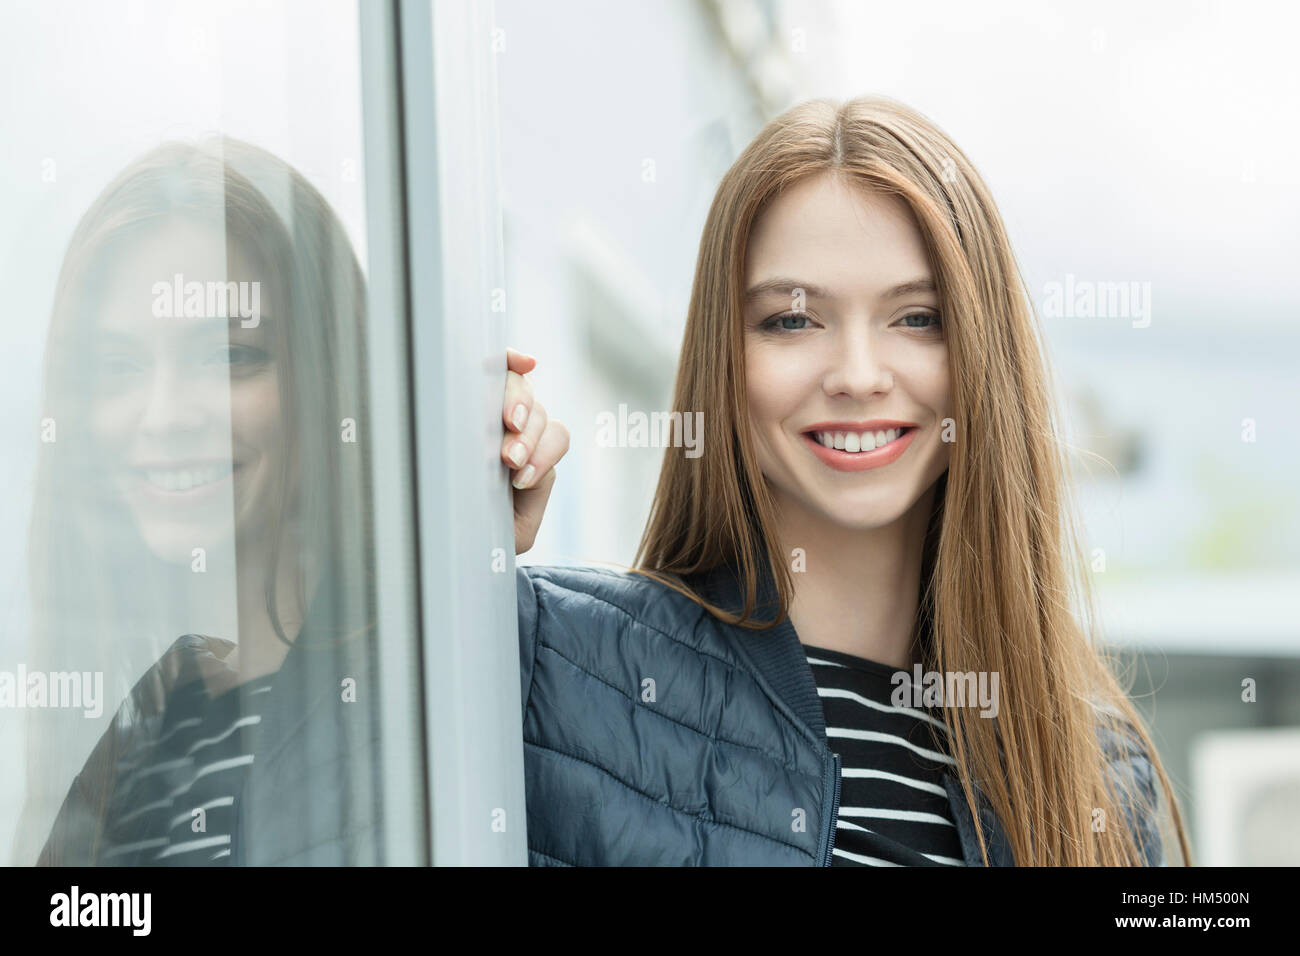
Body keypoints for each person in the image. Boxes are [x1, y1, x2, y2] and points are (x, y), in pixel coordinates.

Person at [500, 95, 1191, 866]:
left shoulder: (1098, 779)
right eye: (792, 321)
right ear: (725, 361)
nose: (858, 377)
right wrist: (458, 536)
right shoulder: (547, 660)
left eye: (918, 318)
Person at [25, 137, 383, 865]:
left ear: (331, 377)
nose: (164, 416)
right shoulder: (115, 755)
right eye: (119, 366)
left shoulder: (436, 682)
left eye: (229, 356)